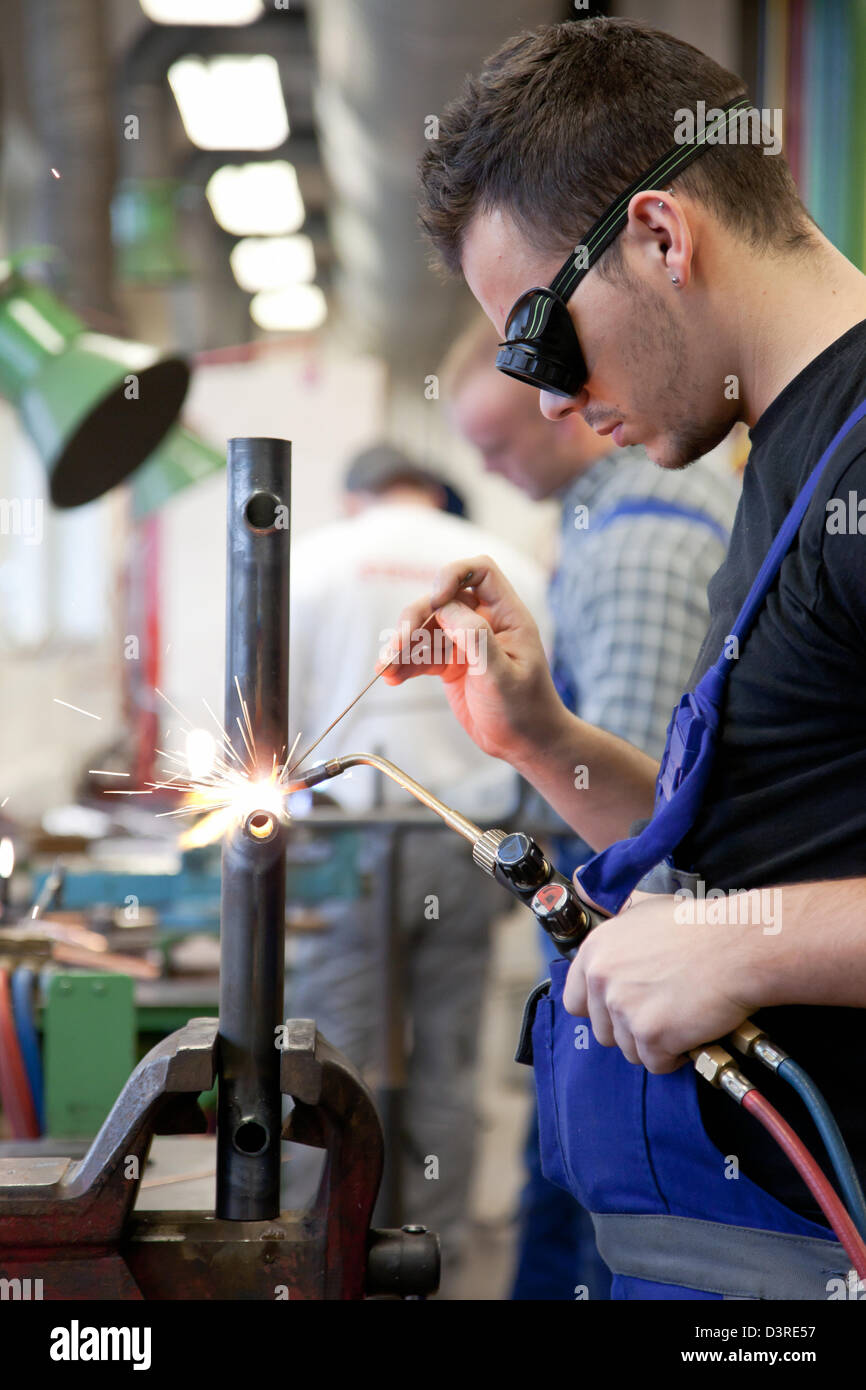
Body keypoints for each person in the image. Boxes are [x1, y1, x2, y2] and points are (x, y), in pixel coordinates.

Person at [381, 16, 866, 1300]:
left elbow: (757, 912)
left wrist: (736, 947)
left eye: (540, 333)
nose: (544, 399)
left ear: (659, 235)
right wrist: (539, 734)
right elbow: (769, 836)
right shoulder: (787, 457)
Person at [441, 315, 738, 1298]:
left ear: (564, 413)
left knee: (584, 1197)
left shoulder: (637, 547)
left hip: (637, 952)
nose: (491, 467)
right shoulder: (614, 523)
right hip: (639, 952)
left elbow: (643, 827)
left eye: (495, 445)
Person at [286, 442, 548, 1280]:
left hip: (346, 841)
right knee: (448, 1053)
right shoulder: (502, 563)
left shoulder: (315, 561)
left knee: (333, 1059)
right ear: (434, 492)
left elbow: (267, 719)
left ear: (353, 496)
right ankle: (430, 1262)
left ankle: (319, 1255)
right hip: (465, 839)